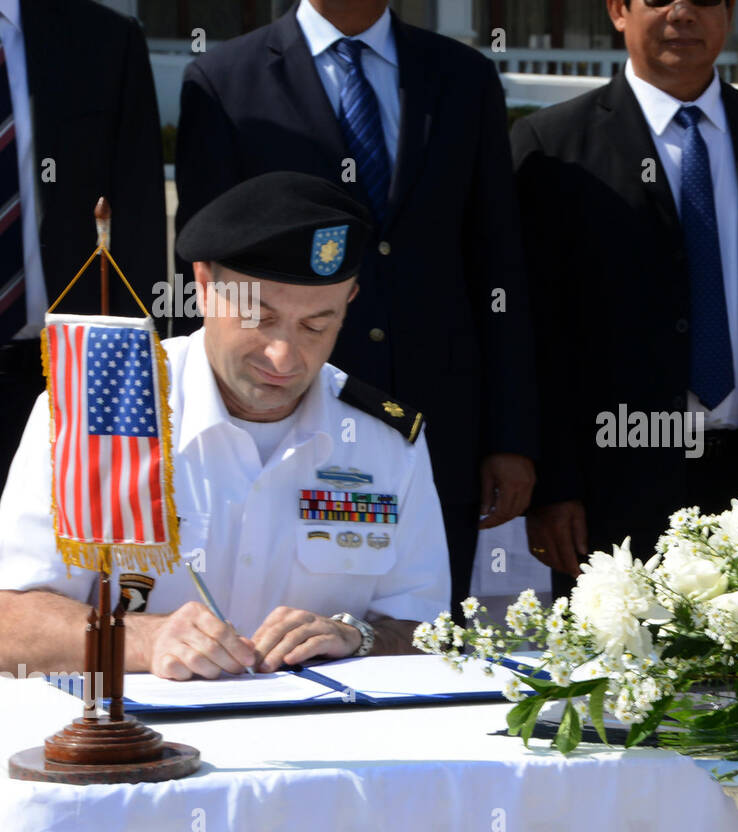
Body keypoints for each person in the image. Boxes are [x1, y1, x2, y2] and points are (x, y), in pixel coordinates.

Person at [0, 172, 449, 680]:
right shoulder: (96, 412)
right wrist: (146, 640)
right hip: (140, 742)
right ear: (206, 287)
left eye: (315, 327)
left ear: (349, 301)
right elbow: (10, 623)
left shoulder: (385, 440)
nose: (283, 357)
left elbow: (429, 630)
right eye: (259, 317)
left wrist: (357, 637)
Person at [173, 0, 537, 613]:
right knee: (238, 625)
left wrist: (510, 435)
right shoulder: (225, 79)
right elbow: (210, 268)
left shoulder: (463, 75)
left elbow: (497, 261)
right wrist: (208, 417)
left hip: (434, 419)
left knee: (416, 630)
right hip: (270, 415)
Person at [513, 0, 738, 587]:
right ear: (618, 10)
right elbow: (534, 334)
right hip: (614, 484)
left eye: (704, 0)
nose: (682, 14)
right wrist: (554, 487)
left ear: (730, 14)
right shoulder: (552, 146)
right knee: (618, 675)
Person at [0, 0, 166, 490]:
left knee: (62, 557)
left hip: (71, 371)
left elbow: (139, 214)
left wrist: (145, 357)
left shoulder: (105, 39)